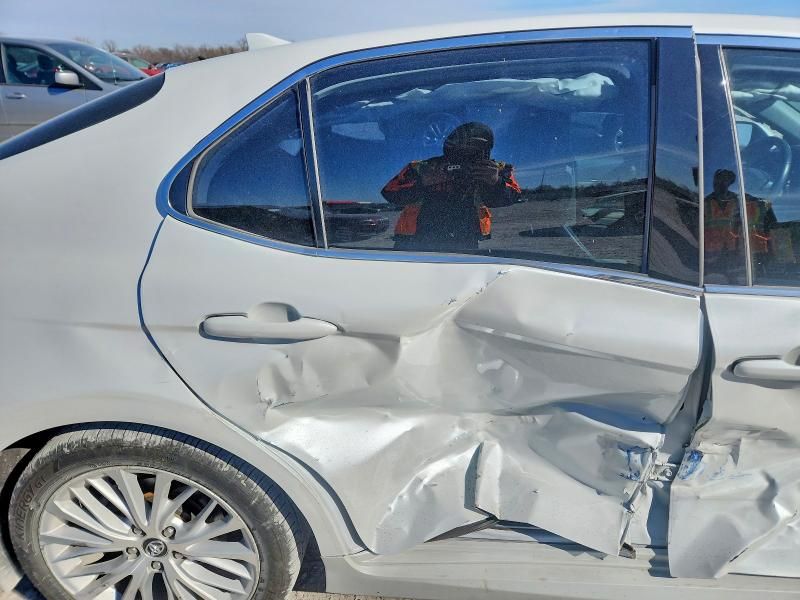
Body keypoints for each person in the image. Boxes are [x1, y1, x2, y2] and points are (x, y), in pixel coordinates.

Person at [382, 122, 521, 251]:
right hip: (416, 240)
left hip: (465, 240)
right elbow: (389, 193)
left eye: (474, 146)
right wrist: (422, 183)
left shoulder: (493, 169)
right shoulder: (423, 167)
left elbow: (513, 196)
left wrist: (495, 182)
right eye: (464, 144)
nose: (467, 150)